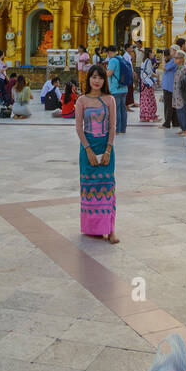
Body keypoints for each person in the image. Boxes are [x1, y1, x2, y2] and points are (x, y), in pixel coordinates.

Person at [75, 64, 118, 243]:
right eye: (93, 77)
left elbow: (113, 126)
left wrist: (108, 149)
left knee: (107, 189)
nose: (97, 81)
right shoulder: (81, 101)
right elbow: (79, 128)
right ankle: (94, 228)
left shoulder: (109, 100)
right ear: (88, 79)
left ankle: (110, 229)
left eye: (100, 77)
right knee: (90, 190)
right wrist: (88, 150)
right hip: (87, 148)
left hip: (105, 147)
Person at [107, 45, 128, 134]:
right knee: (123, 109)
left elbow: (109, 73)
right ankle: (123, 128)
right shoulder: (122, 59)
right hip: (124, 88)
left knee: (116, 109)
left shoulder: (113, 60)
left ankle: (117, 129)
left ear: (110, 52)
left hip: (115, 88)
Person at [171, 49, 186, 135]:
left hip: (182, 94)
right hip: (177, 94)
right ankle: (183, 128)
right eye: (175, 58)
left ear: (182, 59)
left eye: (177, 58)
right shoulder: (179, 69)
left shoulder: (185, 69)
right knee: (179, 112)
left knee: (183, 111)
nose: (175, 59)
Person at [139, 48, 158, 122]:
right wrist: (156, 77)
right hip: (147, 83)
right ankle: (151, 116)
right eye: (153, 52)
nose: (154, 54)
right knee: (150, 100)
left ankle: (143, 116)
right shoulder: (149, 61)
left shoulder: (144, 61)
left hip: (143, 82)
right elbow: (149, 73)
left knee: (144, 100)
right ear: (149, 54)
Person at [159, 48, 176, 128]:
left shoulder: (173, 61)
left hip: (169, 86)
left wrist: (162, 58)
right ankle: (175, 122)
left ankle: (167, 123)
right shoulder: (171, 61)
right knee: (170, 105)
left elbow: (164, 68)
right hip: (168, 85)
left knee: (168, 105)